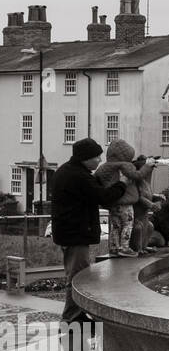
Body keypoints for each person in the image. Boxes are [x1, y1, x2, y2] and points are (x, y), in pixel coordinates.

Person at [50, 137, 127, 323]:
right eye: (96, 157)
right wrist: (122, 183)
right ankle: (71, 318)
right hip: (75, 235)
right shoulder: (78, 176)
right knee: (77, 277)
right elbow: (103, 196)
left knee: (76, 274)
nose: (100, 160)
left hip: (69, 232)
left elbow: (91, 190)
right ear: (85, 158)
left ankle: (77, 314)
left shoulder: (68, 171)